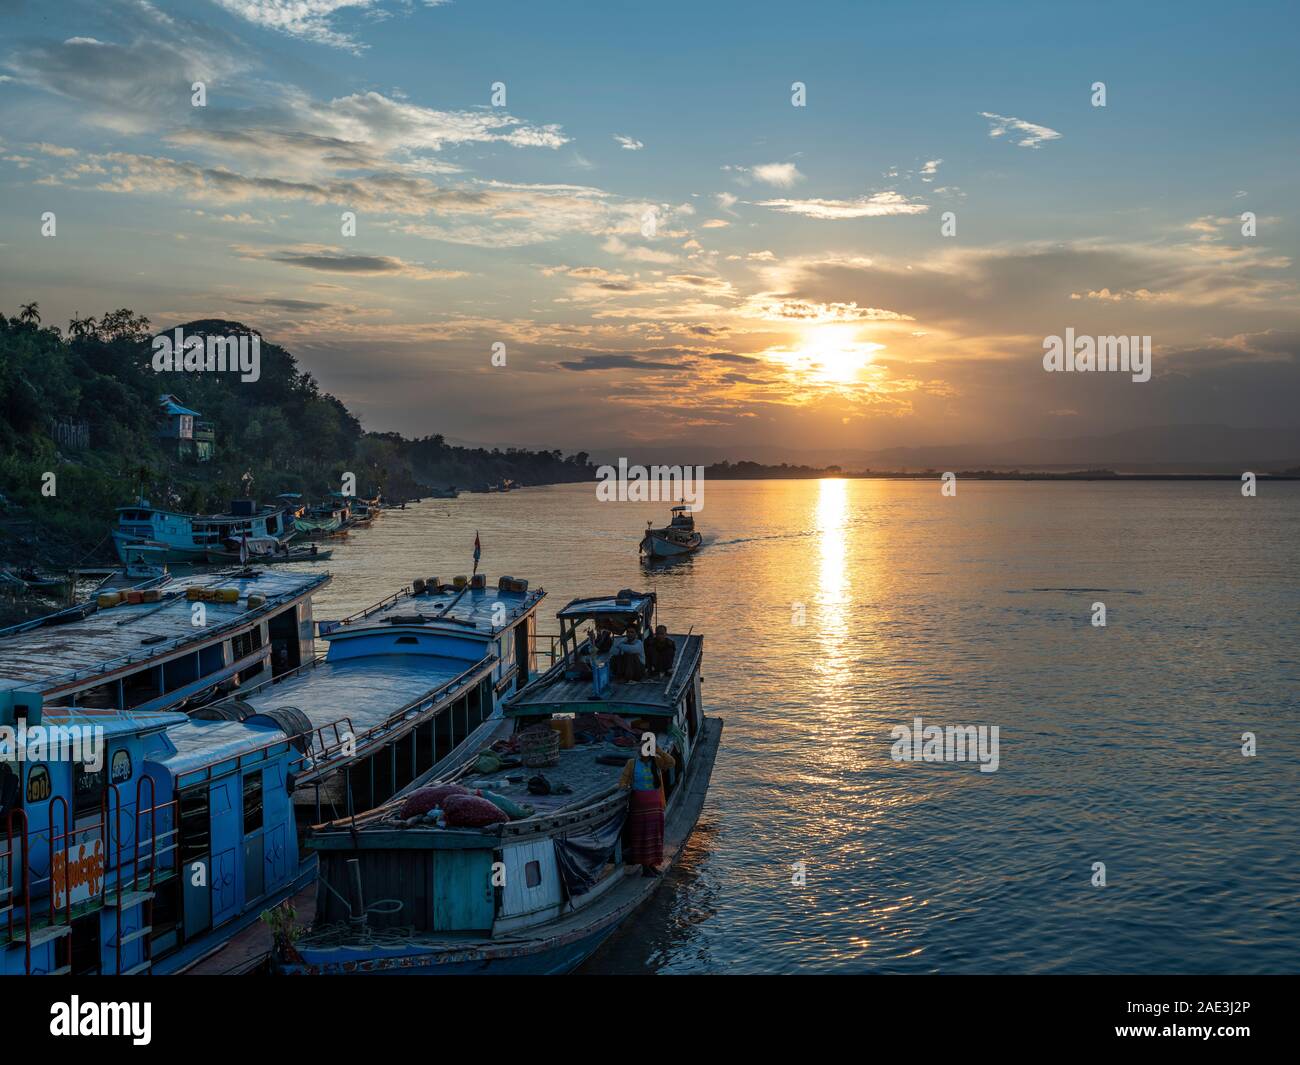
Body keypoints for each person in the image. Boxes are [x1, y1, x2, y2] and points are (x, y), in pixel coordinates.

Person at [619, 741, 676, 876]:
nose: (644, 753)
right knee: (642, 837)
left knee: (655, 836)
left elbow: (671, 762)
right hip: (639, 806)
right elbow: (623, 781)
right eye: (642, 750)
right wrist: (625, 788)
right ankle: (645, 868)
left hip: (655, 806)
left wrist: (659, 751)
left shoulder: (656, 762)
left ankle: (652, 865)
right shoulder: (632, 763)